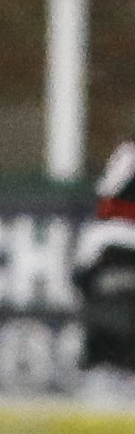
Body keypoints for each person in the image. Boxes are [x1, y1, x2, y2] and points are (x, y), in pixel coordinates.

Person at [87, 140, 135, 375]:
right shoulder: (128, 153)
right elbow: (108, 203)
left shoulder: (126, 152)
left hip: (105, 243)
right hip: (113, 242)